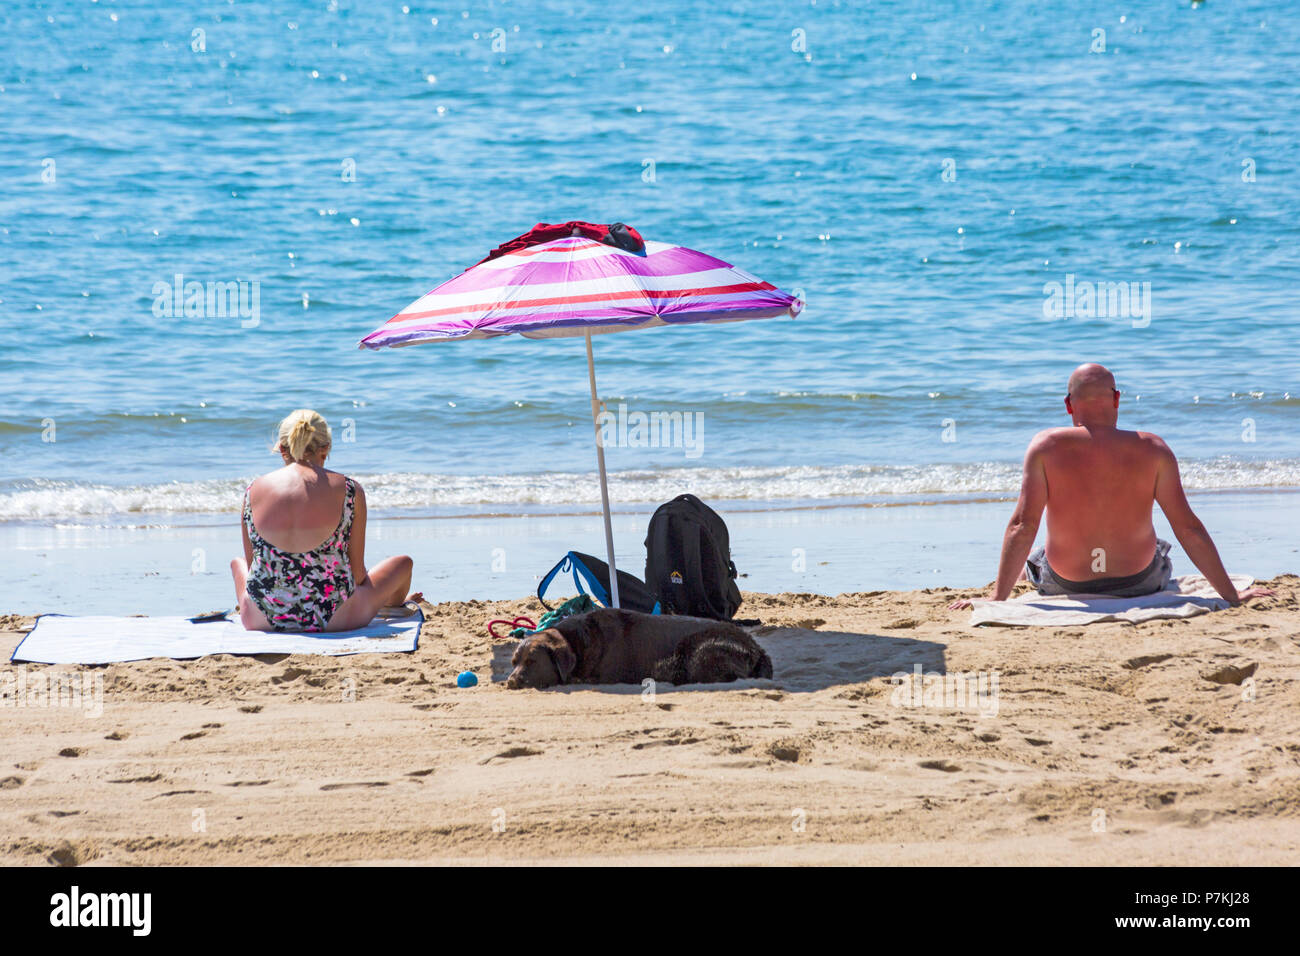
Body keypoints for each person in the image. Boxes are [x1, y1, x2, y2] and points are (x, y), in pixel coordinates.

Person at [951, 364, 1272, 608]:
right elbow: (1187, 527)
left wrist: (996, 599)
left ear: (1068, 405)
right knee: (1158, 544)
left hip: (1066, 582)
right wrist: (1233, 595)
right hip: (1140, 582)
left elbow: (1023, 525)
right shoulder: (1153, 448)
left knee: (1036, 554)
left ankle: (1024, 576)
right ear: (1117, 399)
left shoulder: (1045, 446)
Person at [230, 409, 421, 631]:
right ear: (326, 448)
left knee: (239, 564)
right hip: (336, 619)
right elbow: (358, 575)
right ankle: (392, 606)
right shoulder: (350, 490)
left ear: (282, 449)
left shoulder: (252, 491)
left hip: (259, 619)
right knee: (403, 563)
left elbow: (256, 569)